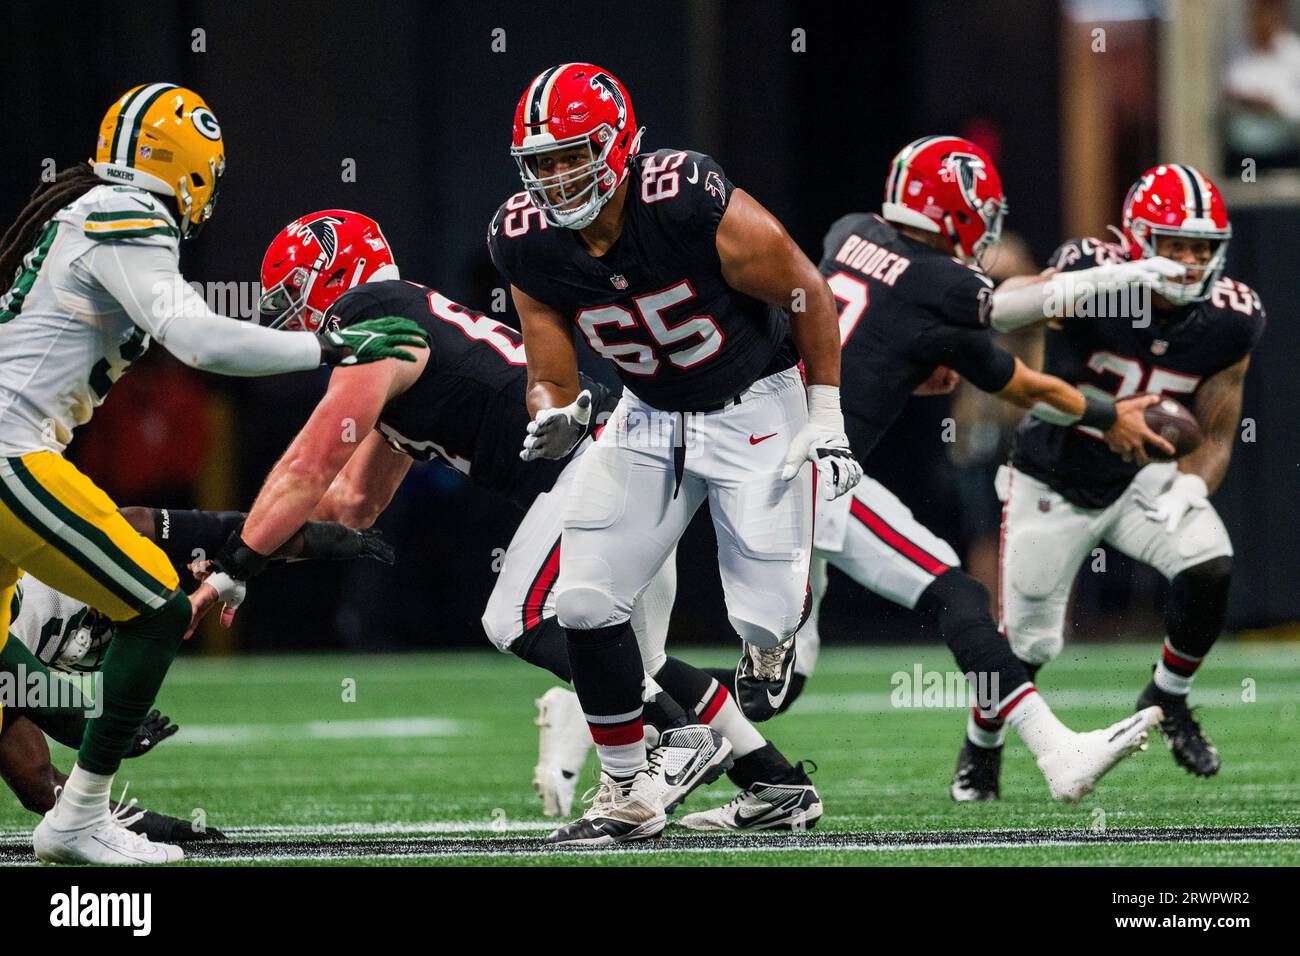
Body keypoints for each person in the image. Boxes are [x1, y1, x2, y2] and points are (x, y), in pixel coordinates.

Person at [193, 209, 821, 831]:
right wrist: (233, 543)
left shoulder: (373, 321)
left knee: (518, 617)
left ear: (333, 275)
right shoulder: (402, 328)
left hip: (601, 461)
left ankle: (678, 740)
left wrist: (232, 567)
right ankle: (775, 782)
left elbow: (306, 467)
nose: (292, 315)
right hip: (619, 459)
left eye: (292, 294)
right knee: (635, 661)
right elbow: (351, 505)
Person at [0, 83, 427, 865]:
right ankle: (80, 822)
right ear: (195, 166)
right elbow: (196, 339)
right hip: (9, 451)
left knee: (21, 664)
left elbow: (9, 694)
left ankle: (76, 810)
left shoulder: (88, 214)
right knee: (156, 612)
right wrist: (331, 349)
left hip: (19, 450)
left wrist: (80, 717)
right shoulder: (125, 213)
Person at [489, 63, 861, 845]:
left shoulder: (686, 198)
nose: (557, 177)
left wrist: (825, 412)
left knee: (761, 615)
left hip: (753, 404)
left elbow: (808, 294)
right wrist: (551, 414)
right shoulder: (523, 242)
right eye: (543, 161)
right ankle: (626, 787)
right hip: (648, 413)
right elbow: (549, 375)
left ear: (618, 144)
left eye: (573, 154)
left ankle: (772, 639)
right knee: (586, 600)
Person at [954, 163, 1264, 797]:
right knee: (1030, 644)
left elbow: (1217, 430)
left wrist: (1191, 487)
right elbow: (1004, 316)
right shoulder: (1091, 273)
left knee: (1211, 564)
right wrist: (1103, 282)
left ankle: (1168, 696)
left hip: (1141, 479)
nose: (1187, 260)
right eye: (1173, 244)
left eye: (1201, 248)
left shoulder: (1233, 318)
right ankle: (981, 744)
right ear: (1134, 240)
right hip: (1053, 474)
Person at [0, 505, 389, 837]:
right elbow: (31, 687)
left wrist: (163, 828)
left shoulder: (30, 662)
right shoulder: (82, 537)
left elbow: (41, 784)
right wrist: (101, 727)